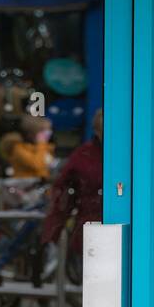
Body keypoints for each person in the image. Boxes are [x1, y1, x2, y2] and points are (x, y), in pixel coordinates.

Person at [41, 107, 103, 253]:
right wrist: (52, 232)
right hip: (90, 229)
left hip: (119, 228)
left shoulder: (132, 153)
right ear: (96, 131)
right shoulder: (83, 156)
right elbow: (63, 194)